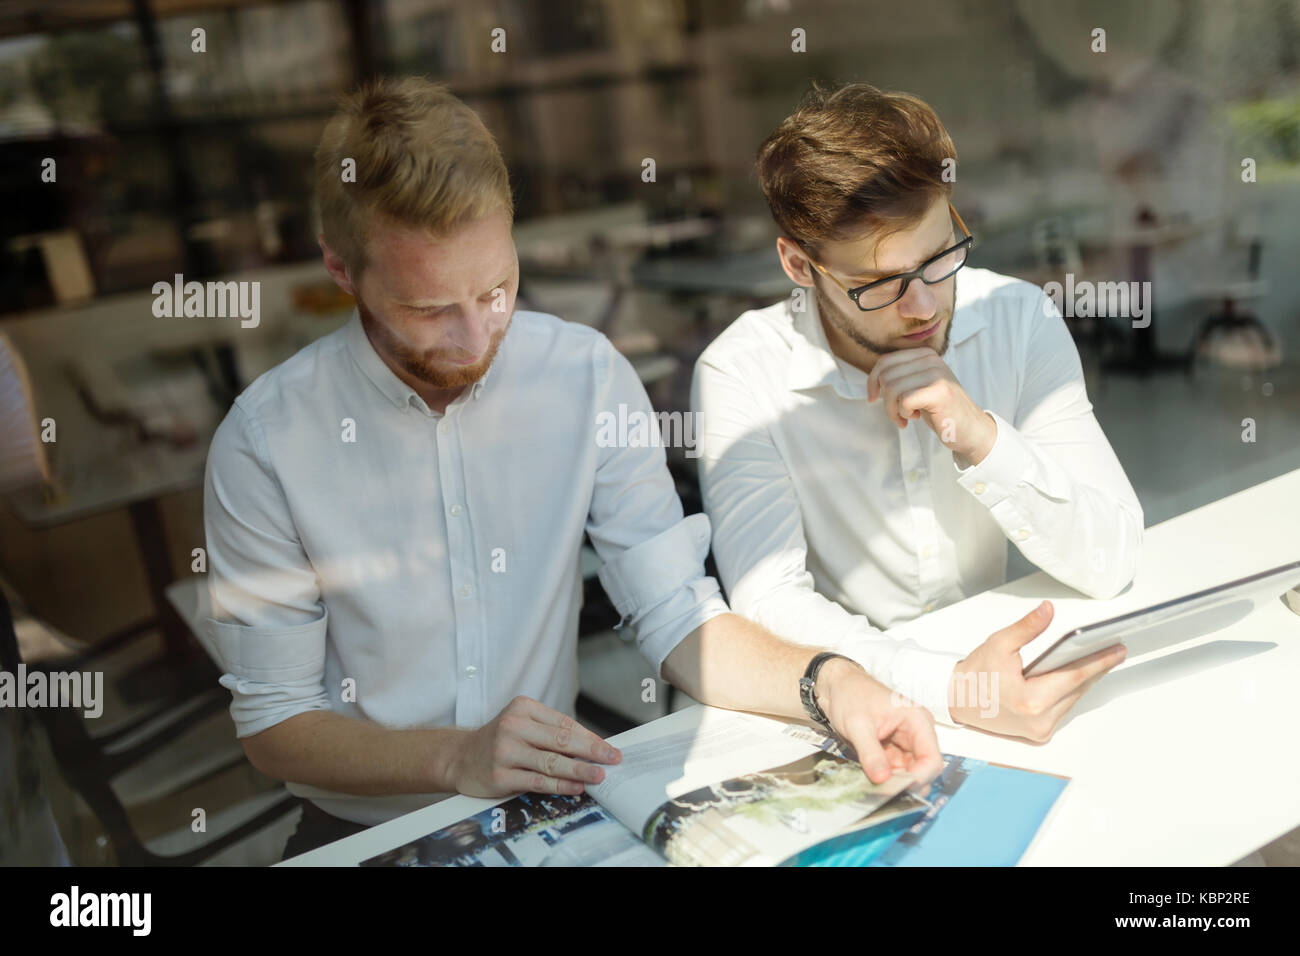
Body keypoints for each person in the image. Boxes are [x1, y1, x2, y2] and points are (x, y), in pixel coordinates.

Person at [201, 77, 941, 860]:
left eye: (496, 289)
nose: (472, 336)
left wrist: (831, 684)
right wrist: (455, 756)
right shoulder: (265, 442)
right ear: (341, 270)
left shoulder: (583, 376)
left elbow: (675, 613)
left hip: (541, 820)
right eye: (428, 309)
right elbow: (275, 725)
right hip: (362, 835)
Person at [691, 82, 1142, 743]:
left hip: (1010, 676)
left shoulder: (1016, 318)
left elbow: (1113, 556)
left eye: (939, 260)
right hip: (845, 710)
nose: (925, 307)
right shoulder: (741, 375)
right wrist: (953, 688)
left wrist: (983, 438)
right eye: (879, 286)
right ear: (798, 264)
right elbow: (769, 606)